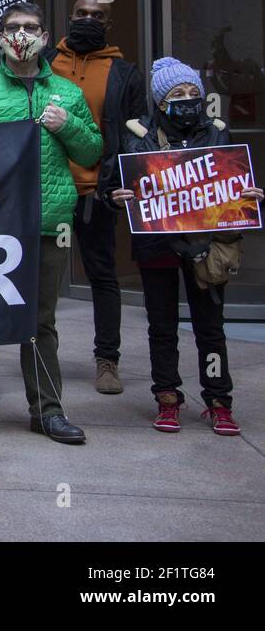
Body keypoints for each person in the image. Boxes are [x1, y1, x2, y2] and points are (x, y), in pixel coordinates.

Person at [0, 1, 101, 445]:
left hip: (48, 225)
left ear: (45, 37)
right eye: (12, 27)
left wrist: (68, 125)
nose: (21, 34)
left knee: (41, 322)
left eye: (30, 27)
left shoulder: (68, 94)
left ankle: (48, 411)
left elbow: (91, 153)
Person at [106, 57, 260, 435]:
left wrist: (250, 194)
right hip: (157, 246)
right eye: (178, 93)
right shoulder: (137, 135)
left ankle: (219, 401)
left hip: (205, 247)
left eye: (194, 92)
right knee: (162, 328)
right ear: (161, 101)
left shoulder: (217, 132)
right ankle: (168, 398)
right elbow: (107, 184)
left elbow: (232, 183)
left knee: (210, 329)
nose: (188, 98)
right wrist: (116, 196)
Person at [46, 0, 147, 395]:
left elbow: (136, 134)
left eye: (97, 15)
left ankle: (108, 360)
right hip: (48, 187)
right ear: (69, 18)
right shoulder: (46, 64)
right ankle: (37, 352)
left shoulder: (125, 73)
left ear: (108, 24)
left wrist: (126, 182)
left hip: (97, 192)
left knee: (103, 276)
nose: (88, 19)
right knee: (39, 276)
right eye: (81, 13)